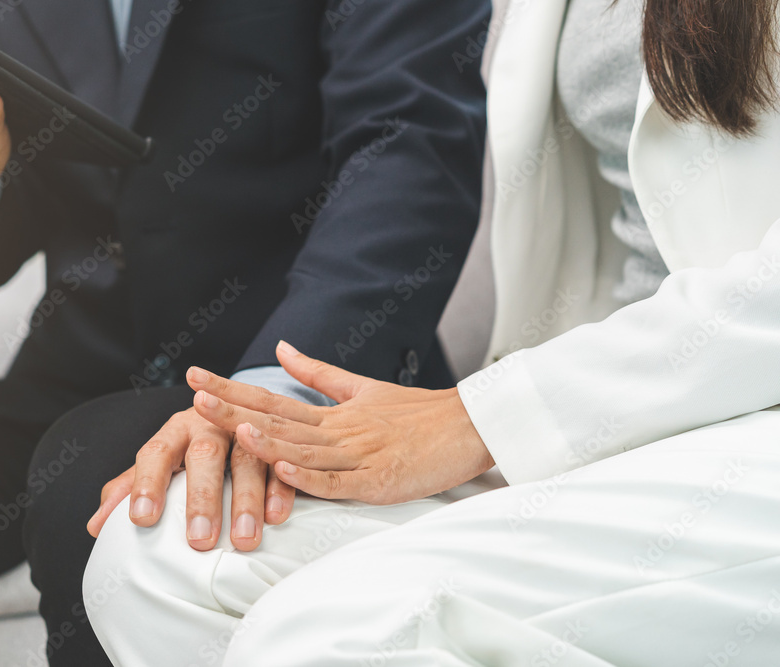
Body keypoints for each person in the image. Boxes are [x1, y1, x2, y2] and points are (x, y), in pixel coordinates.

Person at [0, 0, 491, 664]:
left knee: (110, 502)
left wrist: (273, 400)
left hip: (294, 387)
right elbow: (13, 185)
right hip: (62, 395)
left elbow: (407, 146)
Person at [81, 0, 780, 664]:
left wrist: (481, 416)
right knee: (154, 562)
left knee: (329, 632)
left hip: (750, 430)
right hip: (634, 421)